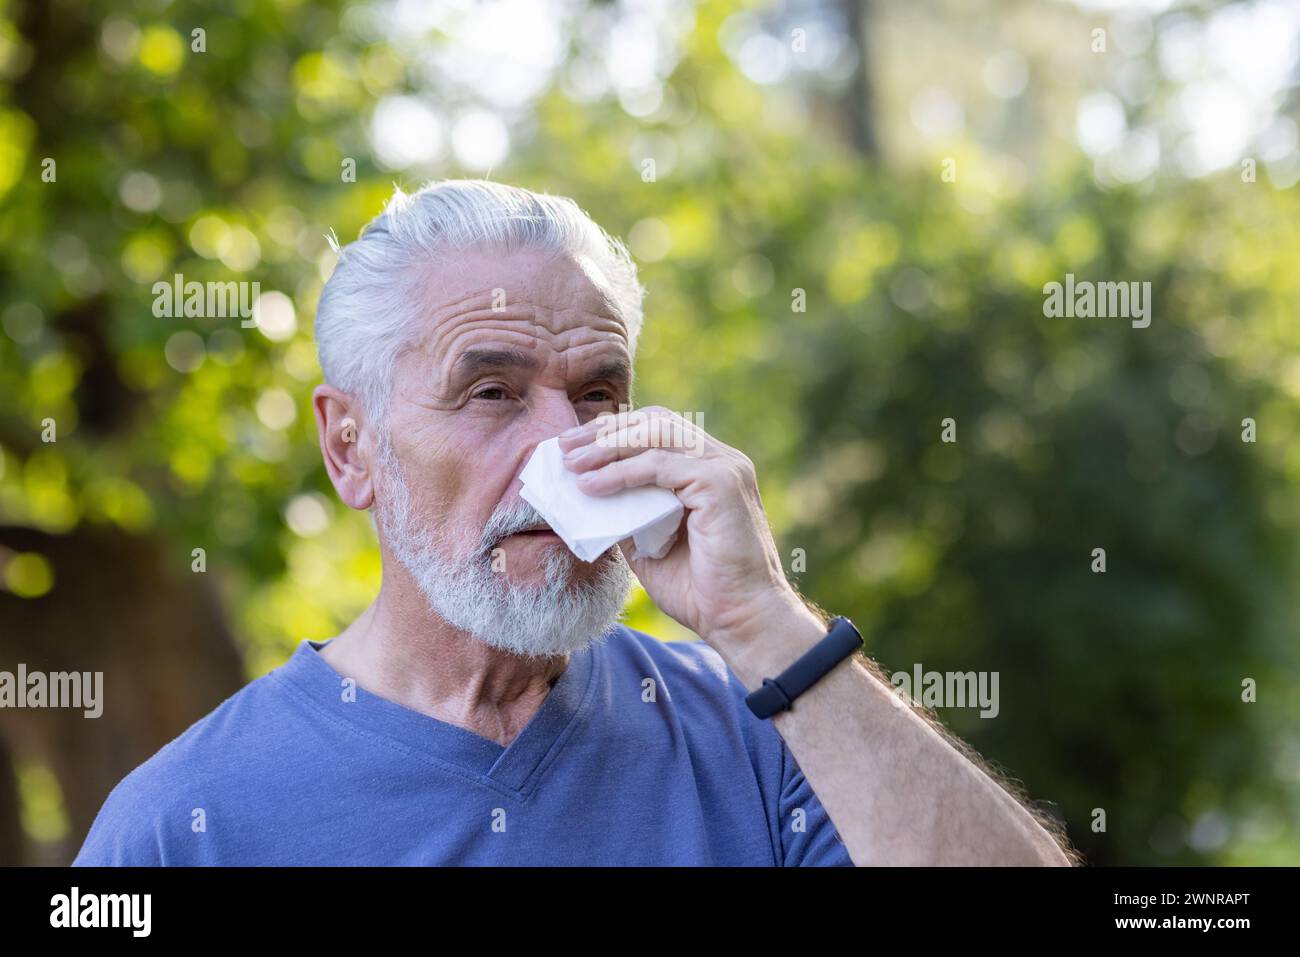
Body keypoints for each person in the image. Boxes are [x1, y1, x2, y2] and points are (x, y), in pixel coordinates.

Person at [75, 180, 1075, 865]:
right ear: (350, 448)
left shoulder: (765, 726)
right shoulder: (183, 825)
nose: (568, 452)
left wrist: (768, 625)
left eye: (599, 395)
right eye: (493, 393)